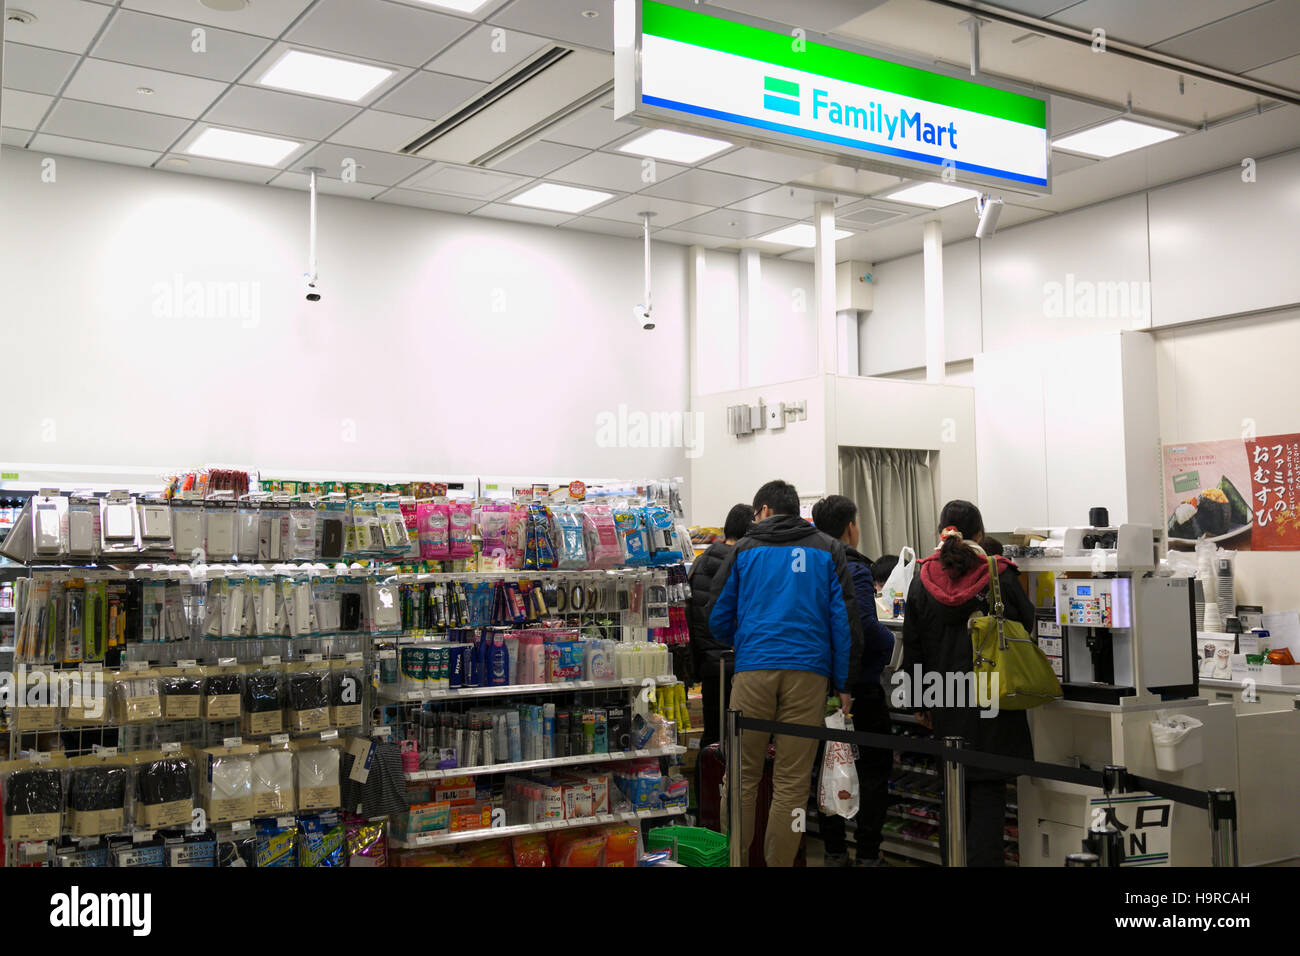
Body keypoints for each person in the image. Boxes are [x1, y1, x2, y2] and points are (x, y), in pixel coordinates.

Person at [708, 479, 863, 867]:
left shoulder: (743, 550)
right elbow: (844, 622)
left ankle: (734, 862)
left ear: (762, 511)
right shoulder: (828, 549)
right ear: (797, 511)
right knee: (791, 785)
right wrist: (843, 683)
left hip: (753, 670)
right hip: (809, 675)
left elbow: (717, 618)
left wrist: (747, 639)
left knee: (741, 778)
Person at [900, 500, 1035, 867]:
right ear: (979, 533)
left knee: (952, 790)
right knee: (988, 791)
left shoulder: (922, 578)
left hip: (945, 697)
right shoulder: (997, 574)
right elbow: (1027, 624)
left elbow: (912, 646)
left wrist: (919, 701)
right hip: (991, 694)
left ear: (941, 531)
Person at [810, 495, 895, 867]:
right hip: (857, 689)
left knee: (828, 767)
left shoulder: (808, 565)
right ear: (850, 527)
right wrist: (890, 642)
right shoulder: (854, 567)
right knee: (872, 772)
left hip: (816, 687)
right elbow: (863, 627)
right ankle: (868, 854)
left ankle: (833, 851)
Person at [686, 503, 754, 750]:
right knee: (744, 740)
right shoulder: (744, 564)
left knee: (712, 736)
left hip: (710, 665)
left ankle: (708, 788)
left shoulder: (701, 563)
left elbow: (693, 616)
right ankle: (734, 788)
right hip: (742, 664)